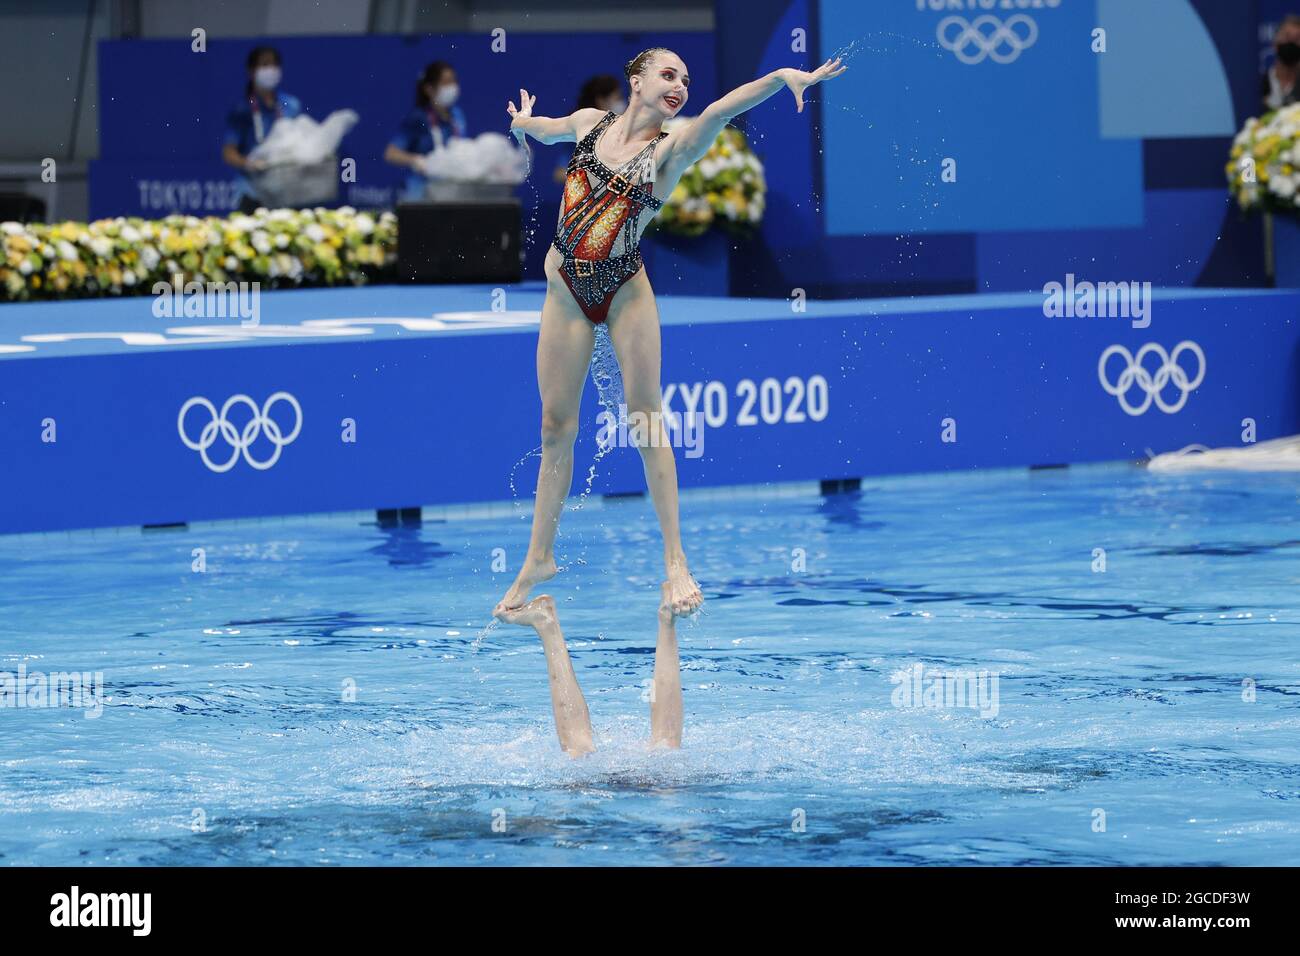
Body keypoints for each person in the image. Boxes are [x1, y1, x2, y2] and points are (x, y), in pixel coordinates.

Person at [494, 48, 846, 622]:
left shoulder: (671, 152)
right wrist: (521, 123)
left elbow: (720, 112)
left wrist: (782, 78)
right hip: (564, 291)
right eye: (667, 74)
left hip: (625, 290)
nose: (679, 84)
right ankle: (538, 558)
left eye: (685, 78)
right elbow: (552, 130)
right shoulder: (591, 124)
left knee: (646, 416)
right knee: (556, 425)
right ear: (636, 81)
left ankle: (676, 560)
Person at [496, 583, 682, 755]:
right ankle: (667, 620)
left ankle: (546, 623)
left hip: (605, 781)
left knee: (581, 753)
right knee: (666, 752)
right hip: (642, 782)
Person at [222, 46, 305, 214]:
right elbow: (228, 153)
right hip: (252, 193)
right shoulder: (242, 109)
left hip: (287, 192)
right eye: (265, 65)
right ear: (252, 71)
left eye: (275, 65)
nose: (271, 70)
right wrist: (249, 163)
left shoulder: (292, 104)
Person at [384, 61, 469, 201]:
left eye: (454, 81)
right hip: (420, 195)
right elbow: (390, 154)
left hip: (453, 193)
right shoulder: (418, 118)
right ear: (429, 89)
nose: (452, 87)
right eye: (446, 82)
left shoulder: (458, 115)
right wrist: (417, 160)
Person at [553, 75, 627, 185]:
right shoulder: (581, 133)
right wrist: (593, 177)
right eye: (617, 98)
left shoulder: (625, 129)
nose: (622, 102)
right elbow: (559, 173)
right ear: (601, 100)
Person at [1262, 15, 1300, 111]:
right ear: (1275, 43)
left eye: (1297, 39)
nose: (1291, 43)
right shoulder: (1258, 84)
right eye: (1287, 37)